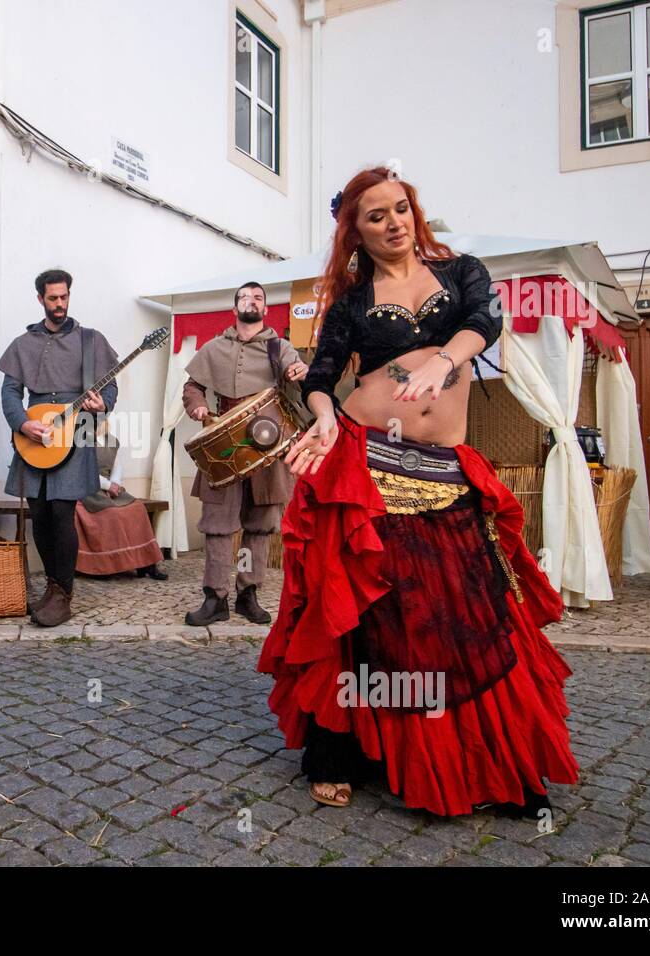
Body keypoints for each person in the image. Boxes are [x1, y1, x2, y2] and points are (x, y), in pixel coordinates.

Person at [259, 167, 578, 817]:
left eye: (400, 208)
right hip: (367, 458)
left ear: (415, 211)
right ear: (356, 231)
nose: (393, 222)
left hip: (443, 468)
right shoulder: (352, 300)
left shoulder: (462, 272)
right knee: (368, 616)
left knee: (468, 617)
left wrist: (443, 358)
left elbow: (485, 321)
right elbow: (321, 375)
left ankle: (494, 766)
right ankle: (342, 754)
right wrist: (322, 413)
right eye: (375, 216)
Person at [181, 282, 308, 626]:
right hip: (224, 442)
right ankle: (215, 598)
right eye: (244, 298)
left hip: (269, 444)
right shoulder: (213, 348)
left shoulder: (280, 348)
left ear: (265, 309)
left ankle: (247, 595)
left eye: (258, 298)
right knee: (218, 524)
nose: (251, 302)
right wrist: (198, 407)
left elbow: (299, 384)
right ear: (234, 309)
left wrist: (300, 374)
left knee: (260, 525)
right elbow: (192, 386)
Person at [0, 269, 118, 627]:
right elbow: (8, 392)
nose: (60, 304)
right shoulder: (23, 343)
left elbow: (110, 388)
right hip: (36, 429)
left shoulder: (91, 340)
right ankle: (53, 585)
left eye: (64, 297)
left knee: (63, 512)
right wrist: (23, 422)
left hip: (76, 425)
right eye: (53, 298)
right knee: (40, 512)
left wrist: (103, 405)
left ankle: (63, 594)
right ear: (40, 299)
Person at [74, 430, 166, 579]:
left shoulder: (111, 439)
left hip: (109, 487)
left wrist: (115, 484)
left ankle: (146, 563)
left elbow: (117, 466)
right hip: (88, 488)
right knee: (111, 513)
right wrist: (107, 485)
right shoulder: (79, 439)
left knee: (137, 508)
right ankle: (106, 565)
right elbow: (82, 470)